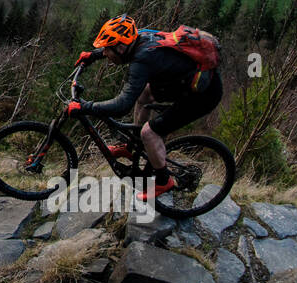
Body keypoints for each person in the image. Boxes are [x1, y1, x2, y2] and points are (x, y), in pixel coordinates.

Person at [65, 14, 223, 200]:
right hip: (179, 82)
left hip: (202, 96)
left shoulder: (142, 59)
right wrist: (93, 55)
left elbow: (123, 104)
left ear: (121, 47)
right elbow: (115, 49)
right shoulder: (139, 36)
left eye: (107, 50)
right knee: (144, 93)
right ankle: (132, 147)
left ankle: (164, 182)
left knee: (149, 133)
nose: (106, 54)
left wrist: (86, 107)